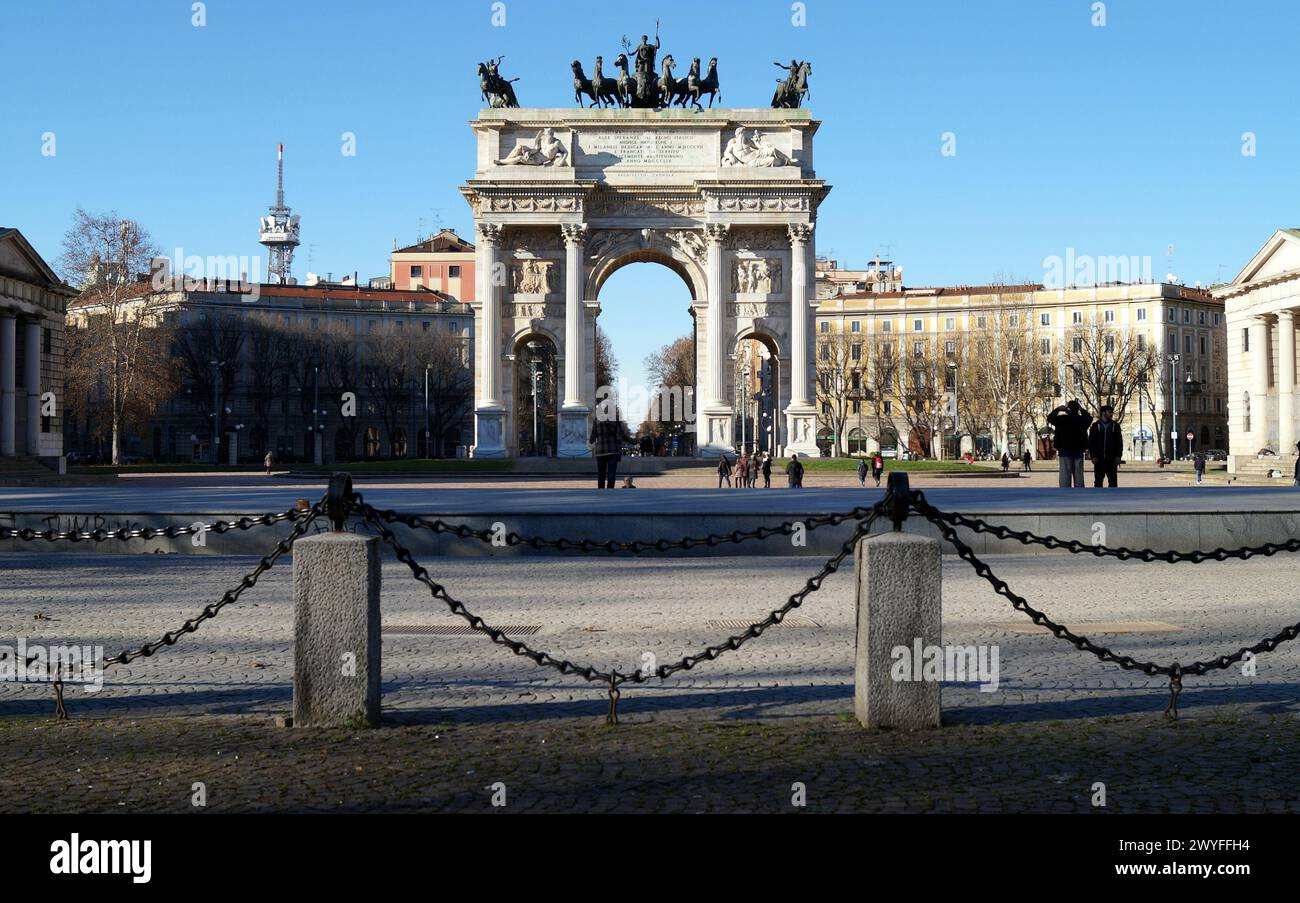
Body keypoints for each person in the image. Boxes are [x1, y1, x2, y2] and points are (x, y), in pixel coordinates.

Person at [1048, 400, 1092, 488]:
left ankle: (1064, 490)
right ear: (1077, 409)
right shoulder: (1081, 420)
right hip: (1078, 449)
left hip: (1064, 449)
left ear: (1068, 409)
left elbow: (1050, 418)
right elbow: (1089, 418)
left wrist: (1059, 409)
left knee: (1065, 473)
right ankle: (1079, 491)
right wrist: (1081, 409)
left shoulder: (1062, 419)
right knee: (1078, 474)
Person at [589, 411, 631, 489]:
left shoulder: (597, 420)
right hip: (613, 450)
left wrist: (591, 439)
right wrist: (633, 441)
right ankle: (610, 491)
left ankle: (601, 491)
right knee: (611, 473)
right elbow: (621, 435)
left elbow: (592, 438)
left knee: (601, 473)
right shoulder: (615, 420)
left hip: (601, 451)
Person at [1087, 404, 1124, 488]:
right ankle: (1098, 499)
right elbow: (1091, 442)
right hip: (1099, 459)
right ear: (1103, 413)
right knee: (1098, 481)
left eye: (1112, 412)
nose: (1111, 414)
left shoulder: (1115, 425)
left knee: (1113, 481)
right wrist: (1093, 456)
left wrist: (1118, 456)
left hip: (1111, 459)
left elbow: (1119, 442)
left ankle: (1113, 499)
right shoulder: (1096, 426)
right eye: (1109, 412)